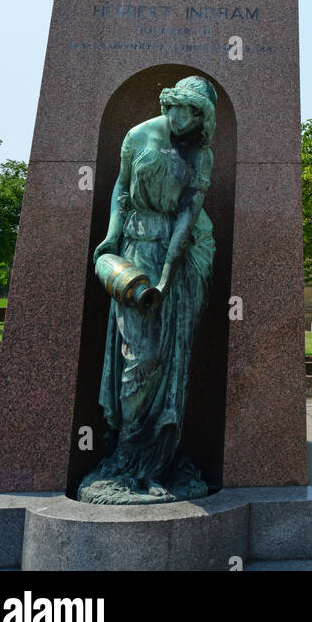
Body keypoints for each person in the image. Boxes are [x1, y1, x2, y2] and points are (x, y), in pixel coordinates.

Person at [78, 75, 217, 504]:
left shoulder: (201, 153)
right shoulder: (137, 134)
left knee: (174, 359)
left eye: (194, 113)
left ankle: (155, 463)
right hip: (135, 248)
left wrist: (168, 275)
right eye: (179, 108)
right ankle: (124, 459)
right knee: (142, 356)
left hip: (182, 257)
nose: (183, 118)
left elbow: (187, 218)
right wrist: (111, 235)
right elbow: (121, 187)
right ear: (169, 103)